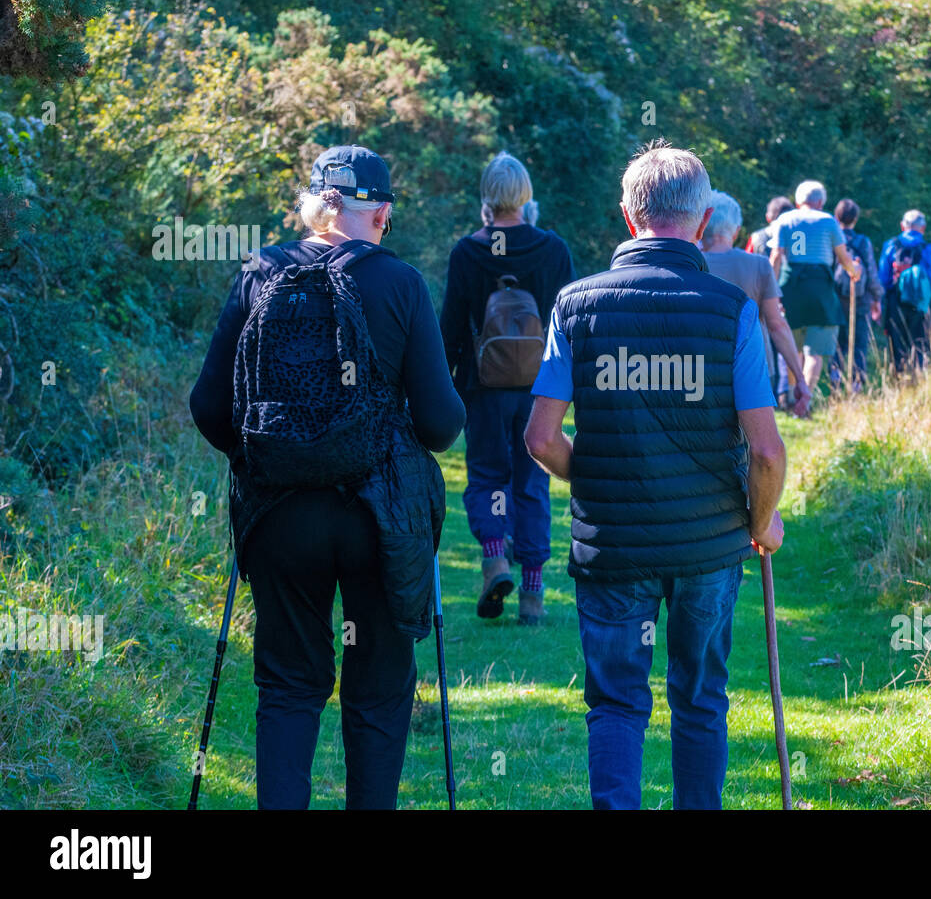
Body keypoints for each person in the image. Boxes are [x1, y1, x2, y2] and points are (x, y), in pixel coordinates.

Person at [189, 144, 465, 809]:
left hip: (280, 514)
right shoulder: (399, 284)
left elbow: (207, 407)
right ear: (383, 213)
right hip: (378, 517)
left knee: (288, 684)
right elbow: (438, 425)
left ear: (315, 205)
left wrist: (265, 458)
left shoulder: (260, 271)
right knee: (375, 685)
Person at [524, 141, 787, 810]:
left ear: (626, 214)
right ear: (702, 222)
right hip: (709, 544)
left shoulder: (575, 304)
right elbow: (766, 454)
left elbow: (541, 437)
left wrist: (599, 478)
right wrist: (762, 521)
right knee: (699, 698)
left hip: (614, 543)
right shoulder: (731, 309)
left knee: (615, 702)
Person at [441, 152, 576, 625]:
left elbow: (452, 331)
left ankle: (496, 558)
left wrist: (449, 391)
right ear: (525, 195)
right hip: (540, 391)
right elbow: (569, 323)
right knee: (532, 483)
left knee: (486, 476)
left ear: (486, 196)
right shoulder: (551, 249)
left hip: (485, 390)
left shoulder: (468, 252)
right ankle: (533, 596)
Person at [701, 190, 811, 415]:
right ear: (737, 230)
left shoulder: (688, 264)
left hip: (699, 369)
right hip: (754, 367)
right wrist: (800, 379)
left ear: (700, 224)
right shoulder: (759, 266)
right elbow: (777, 325)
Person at [768, 180, 861, 395]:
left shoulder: (785, 219)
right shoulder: (829, 221)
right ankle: (806, 398)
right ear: (820, 201)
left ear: (798, 201)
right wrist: (854, 271)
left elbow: (776, 258)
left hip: (791, 287)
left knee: (794, 347)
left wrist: (771, 291)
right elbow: (843, 257)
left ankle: (792, 394)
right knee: (815, 352)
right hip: (820, 288)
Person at [877, 209, 931, 374]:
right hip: (921, 305)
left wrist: (878, 307)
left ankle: (899, 382)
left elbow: (882, 279)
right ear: (923, 228)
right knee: (920, 346)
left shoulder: (890, 246)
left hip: (895, 304)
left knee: (897, 348)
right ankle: (918, 381)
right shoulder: (928, 249)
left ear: (903, 226)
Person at [831, 198, 883, 386]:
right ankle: (857, 384)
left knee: (836, 344)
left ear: (836, 217)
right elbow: (871, 272)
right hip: (860, 300)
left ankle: (834, 381)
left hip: (835, 299)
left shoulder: (832, 239)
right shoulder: (863, 242)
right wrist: (877, 298)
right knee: (859, 344)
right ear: (856, 219)